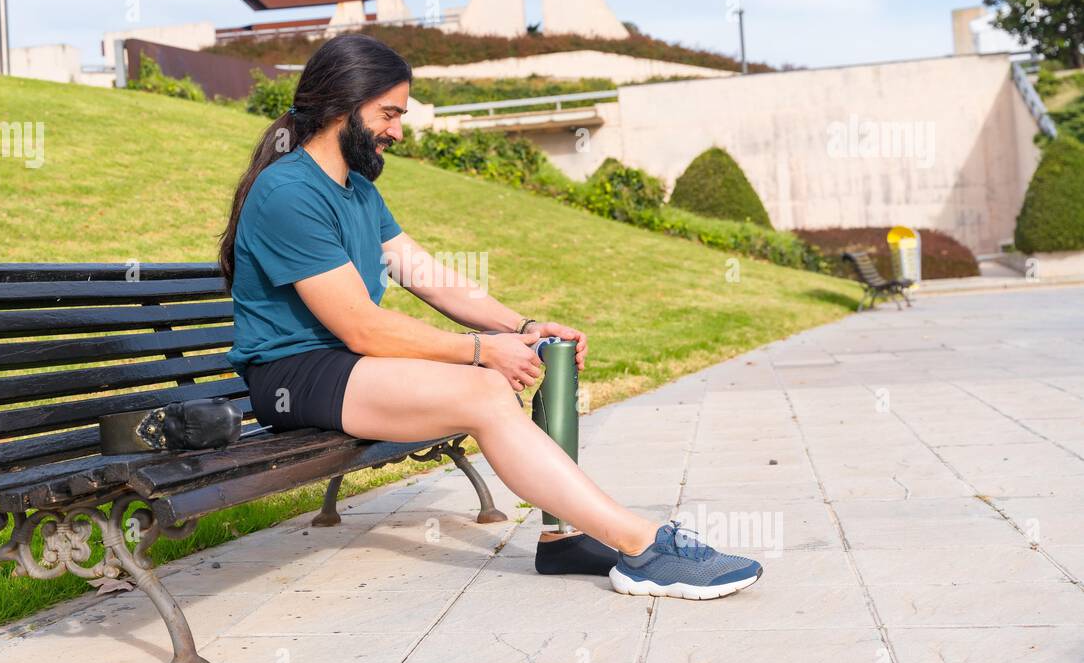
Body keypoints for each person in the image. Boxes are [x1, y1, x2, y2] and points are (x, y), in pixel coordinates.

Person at [219, 33, 762, 598]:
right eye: (389, 113)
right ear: (342, 104)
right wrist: (480, 350)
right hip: (293, 376)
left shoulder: (357, 191)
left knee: (540, 358)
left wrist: (521, 329)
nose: (398, 131)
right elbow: (361, 325)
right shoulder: (288, 192)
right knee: (484, 390)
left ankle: (561, 539)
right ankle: (641, 545)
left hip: (345, 368)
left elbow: (429, 276)